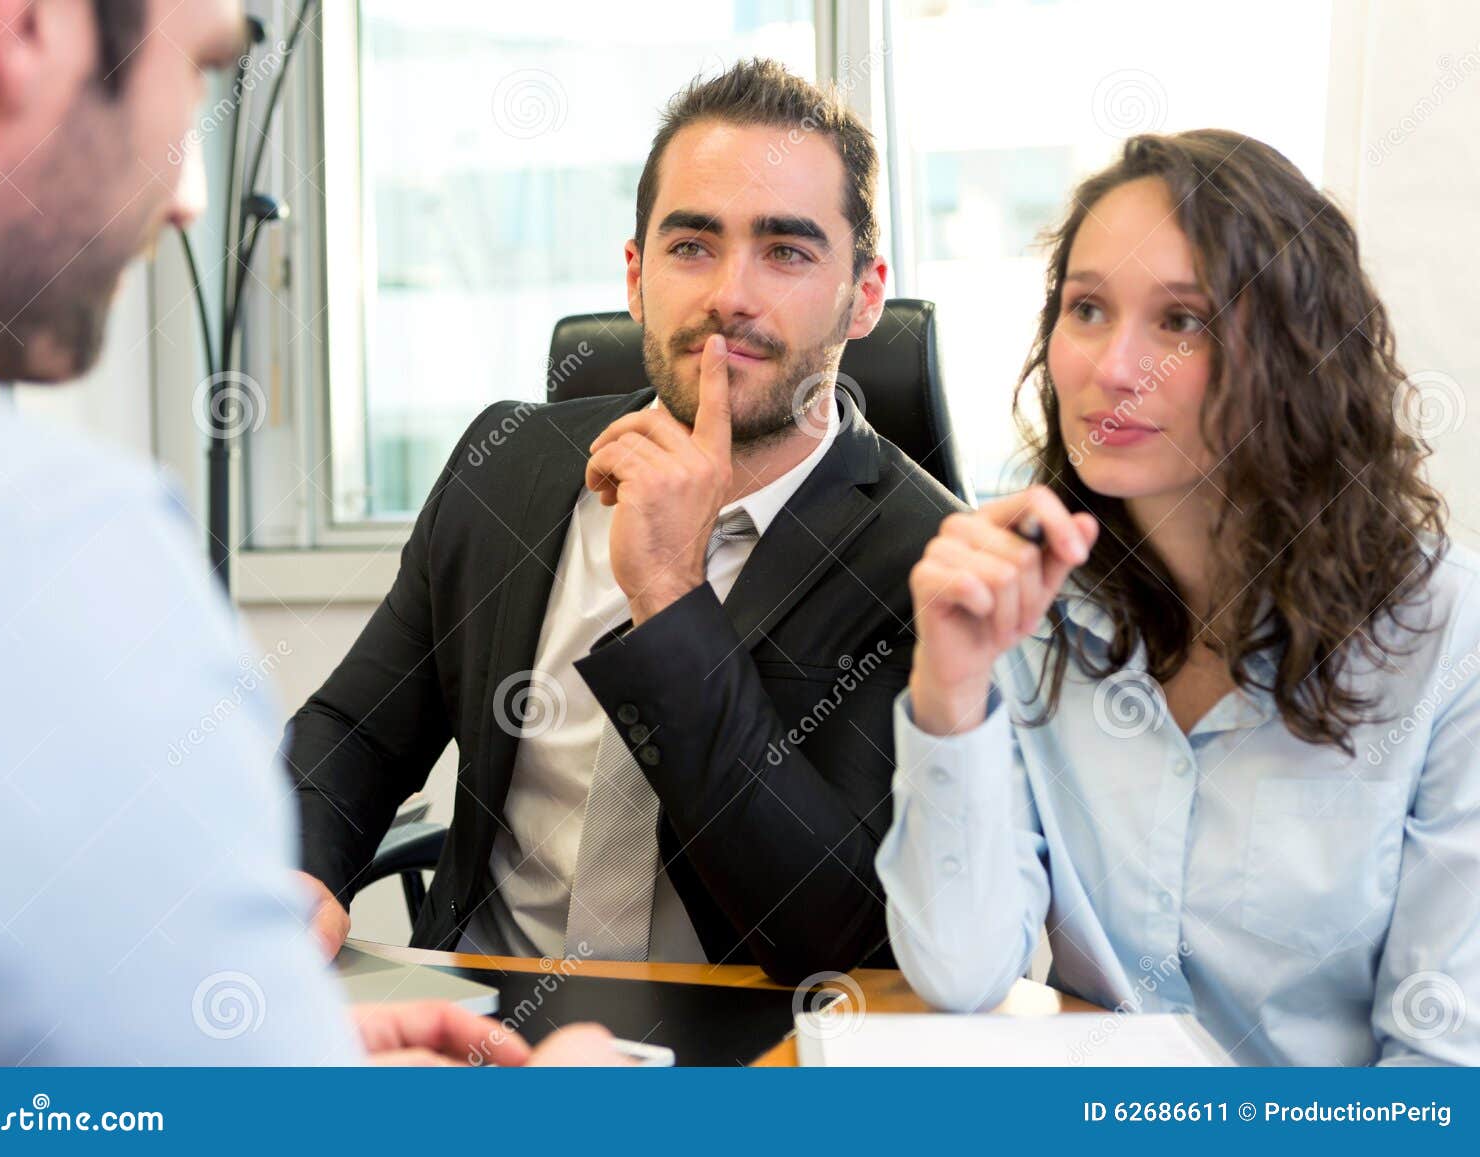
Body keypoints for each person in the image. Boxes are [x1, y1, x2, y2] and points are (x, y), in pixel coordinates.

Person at [0, 0, 614, 1066]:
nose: (183, 196)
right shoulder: (38, 544)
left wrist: (275, 1049)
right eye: (191, 81)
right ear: (28, 26)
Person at [287, 59, 964, 983]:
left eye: (787, 251)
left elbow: (830, 931)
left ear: (868, 291)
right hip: (481, 1024)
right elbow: (356, 731)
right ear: (637, 277)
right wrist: (297, 867)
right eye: (693, 246)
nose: (731, 292)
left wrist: (672, 597)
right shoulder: (509, 463)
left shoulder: (933, 562)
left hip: (743, 1058)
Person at [877, 128, 1479, 1066]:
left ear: (1298, 356)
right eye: (1085, 308)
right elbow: (961, 969)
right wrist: (949, 695)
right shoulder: (1032, 599)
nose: (1113, 368)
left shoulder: (1446, 634)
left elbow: (1444, 1076)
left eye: (1181, 321)